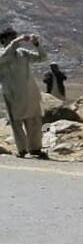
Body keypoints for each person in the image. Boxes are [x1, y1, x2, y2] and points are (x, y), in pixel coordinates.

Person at [0, 27, 48, 159]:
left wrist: (37, 45)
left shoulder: (22, 53)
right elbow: (5, 56)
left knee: (34, 120)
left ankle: (35, 148)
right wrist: (16, 42)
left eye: (15, 37)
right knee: (16, 122)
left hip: (29, 92)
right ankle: (22, 149)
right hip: (12, 94)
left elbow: (42, 58)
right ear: (3, 40)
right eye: (11, 38)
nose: (15, 40)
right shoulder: (2, 54)